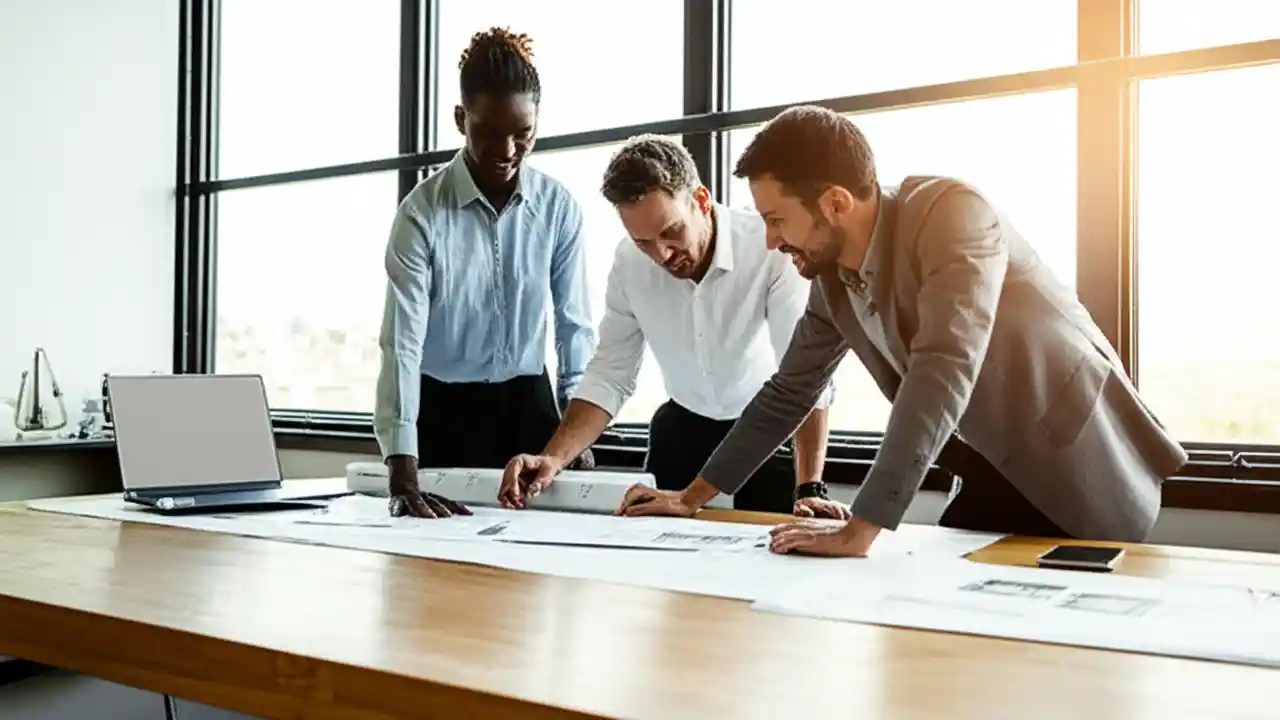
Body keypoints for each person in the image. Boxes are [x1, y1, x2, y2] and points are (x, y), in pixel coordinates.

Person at [616, 106, 1188, 556]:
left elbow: (942, 366)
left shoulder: (954, 215)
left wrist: (861, 528)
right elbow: (790, 389)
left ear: (835, 203)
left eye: (776, 219)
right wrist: (690, 499)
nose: (770, 240)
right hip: (989, 471)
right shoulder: (832, 278)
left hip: (1077, 460)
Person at [498, 135, 841, 516]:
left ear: (701, 200)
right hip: (681, 431)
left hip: (763, 431)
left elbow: (804, 379)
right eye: (643, 241)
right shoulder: (630, 264)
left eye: (670, 231)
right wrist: (552, 459)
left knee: (771, 555)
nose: (661, 254)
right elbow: (611, 374)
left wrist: (810, 486)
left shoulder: (769, 250)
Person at [373, 28, 596, 519]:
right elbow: (402, 345)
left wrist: (574, 430)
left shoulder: (558, 208)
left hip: (530, 410)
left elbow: (574, 325)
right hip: (445, 414)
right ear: (461, 119)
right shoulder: (420, 215)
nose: (508, 149)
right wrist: (402, 467)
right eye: (490, 132)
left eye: (524, 133)